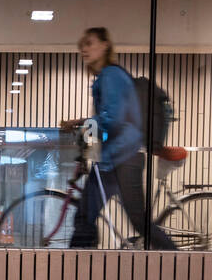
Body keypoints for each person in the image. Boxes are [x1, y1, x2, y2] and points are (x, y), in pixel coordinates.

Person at [61, 27, 178, 250]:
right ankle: (80, 272)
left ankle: (181, 262)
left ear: (105, 45)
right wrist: (83, 124)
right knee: (85, 217)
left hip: (122, 160)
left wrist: (86, 126)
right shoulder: (108, 77)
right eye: (82, 45)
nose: (84, 49)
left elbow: (113, 120)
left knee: (137, 223)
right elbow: (110, 120)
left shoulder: (111, 76)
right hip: (114, 159)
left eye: (90, 43)